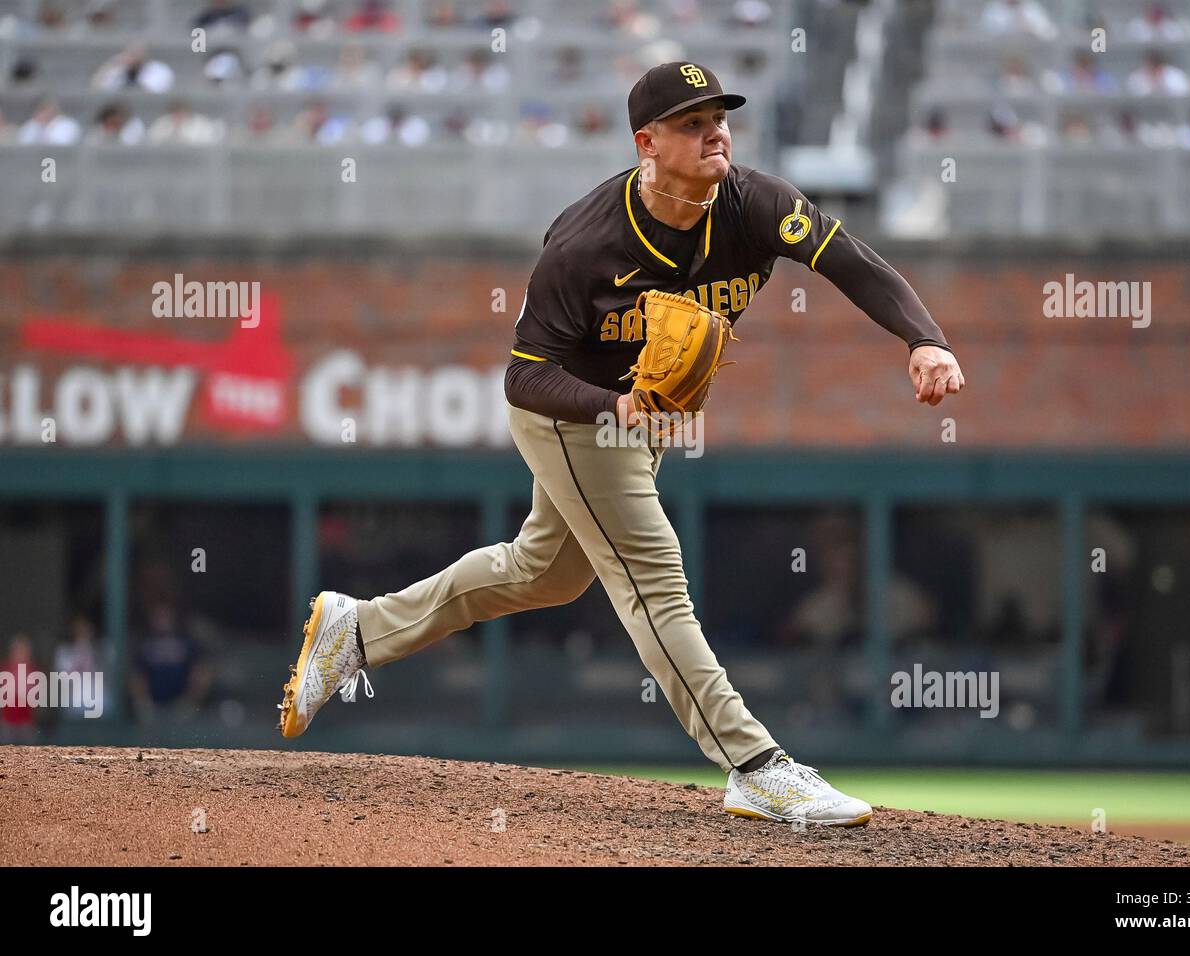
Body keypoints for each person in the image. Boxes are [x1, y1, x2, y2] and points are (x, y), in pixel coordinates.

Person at [278, 61, 964, 826]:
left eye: (720, 117)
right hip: (572, 410)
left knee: (543, 573)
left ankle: (358, 629)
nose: (716, 133)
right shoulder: (585, 244)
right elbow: (522, 377)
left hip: (636, 411)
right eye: (693, 123)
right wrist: (617, 403)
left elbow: (852, 262)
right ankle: (755, 764)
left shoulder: (755, 201)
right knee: (652, 579)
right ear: (648, 143)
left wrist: (922, 339)